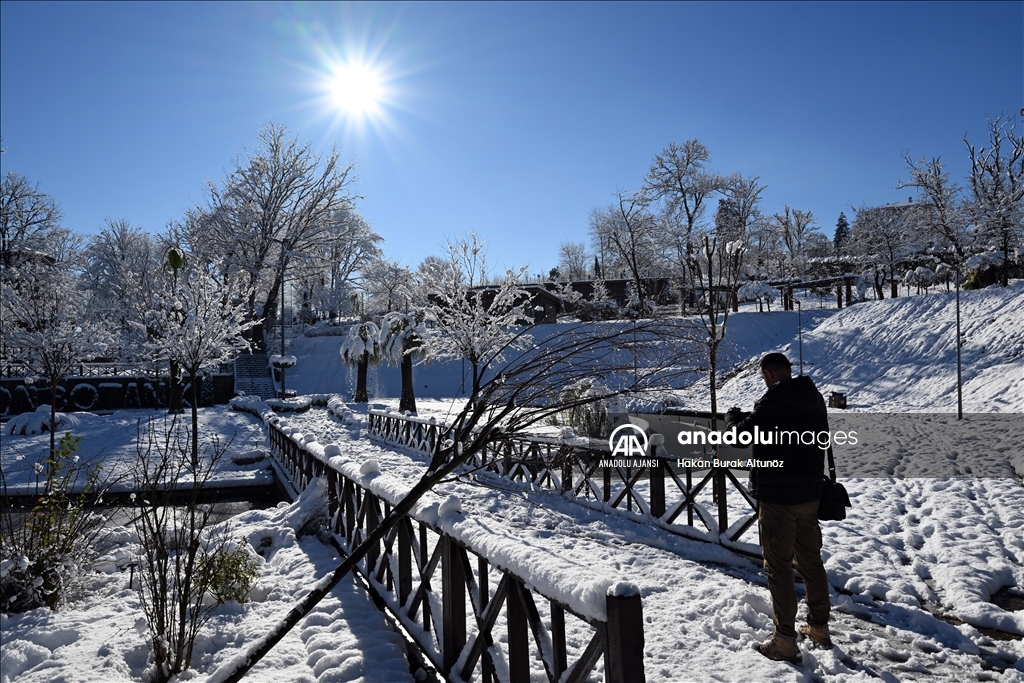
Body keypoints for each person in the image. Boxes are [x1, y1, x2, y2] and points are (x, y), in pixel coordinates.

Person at [725, 352, 832, 664]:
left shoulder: (772, 402)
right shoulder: (813, 398)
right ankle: (819, 627)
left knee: (779, 567)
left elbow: (739, 436)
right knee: (811, 561)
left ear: (769, 374)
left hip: (779, 498)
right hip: (810, 493)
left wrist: (732, 416)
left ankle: (784, 640)